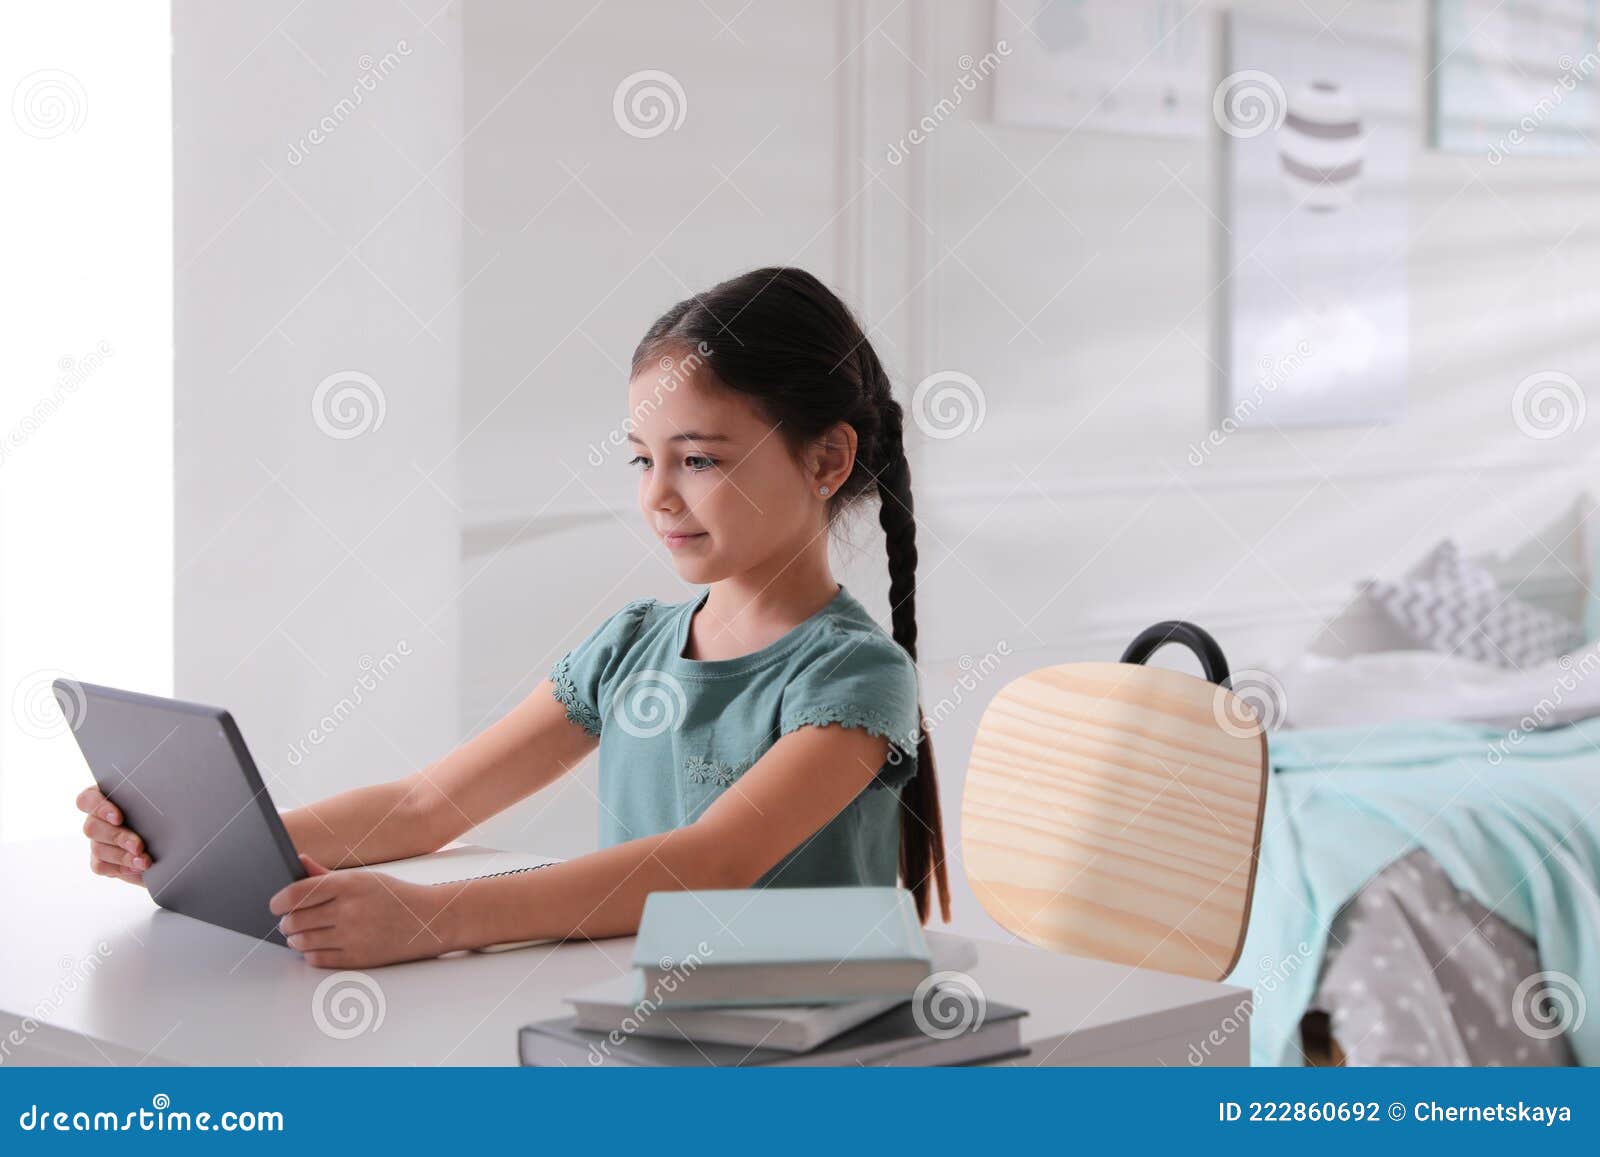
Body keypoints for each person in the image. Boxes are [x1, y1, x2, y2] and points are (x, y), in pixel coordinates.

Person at [76, 266, 951, 968]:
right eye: (642, 459)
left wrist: (432, 918)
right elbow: (425, 804)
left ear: (827, 460)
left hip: (802, 1058)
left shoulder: (856, 677)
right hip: (646, 1029)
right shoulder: (632, 646)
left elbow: (706, 864)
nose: (657, 494)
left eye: (698, 459)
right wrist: (210, 843)